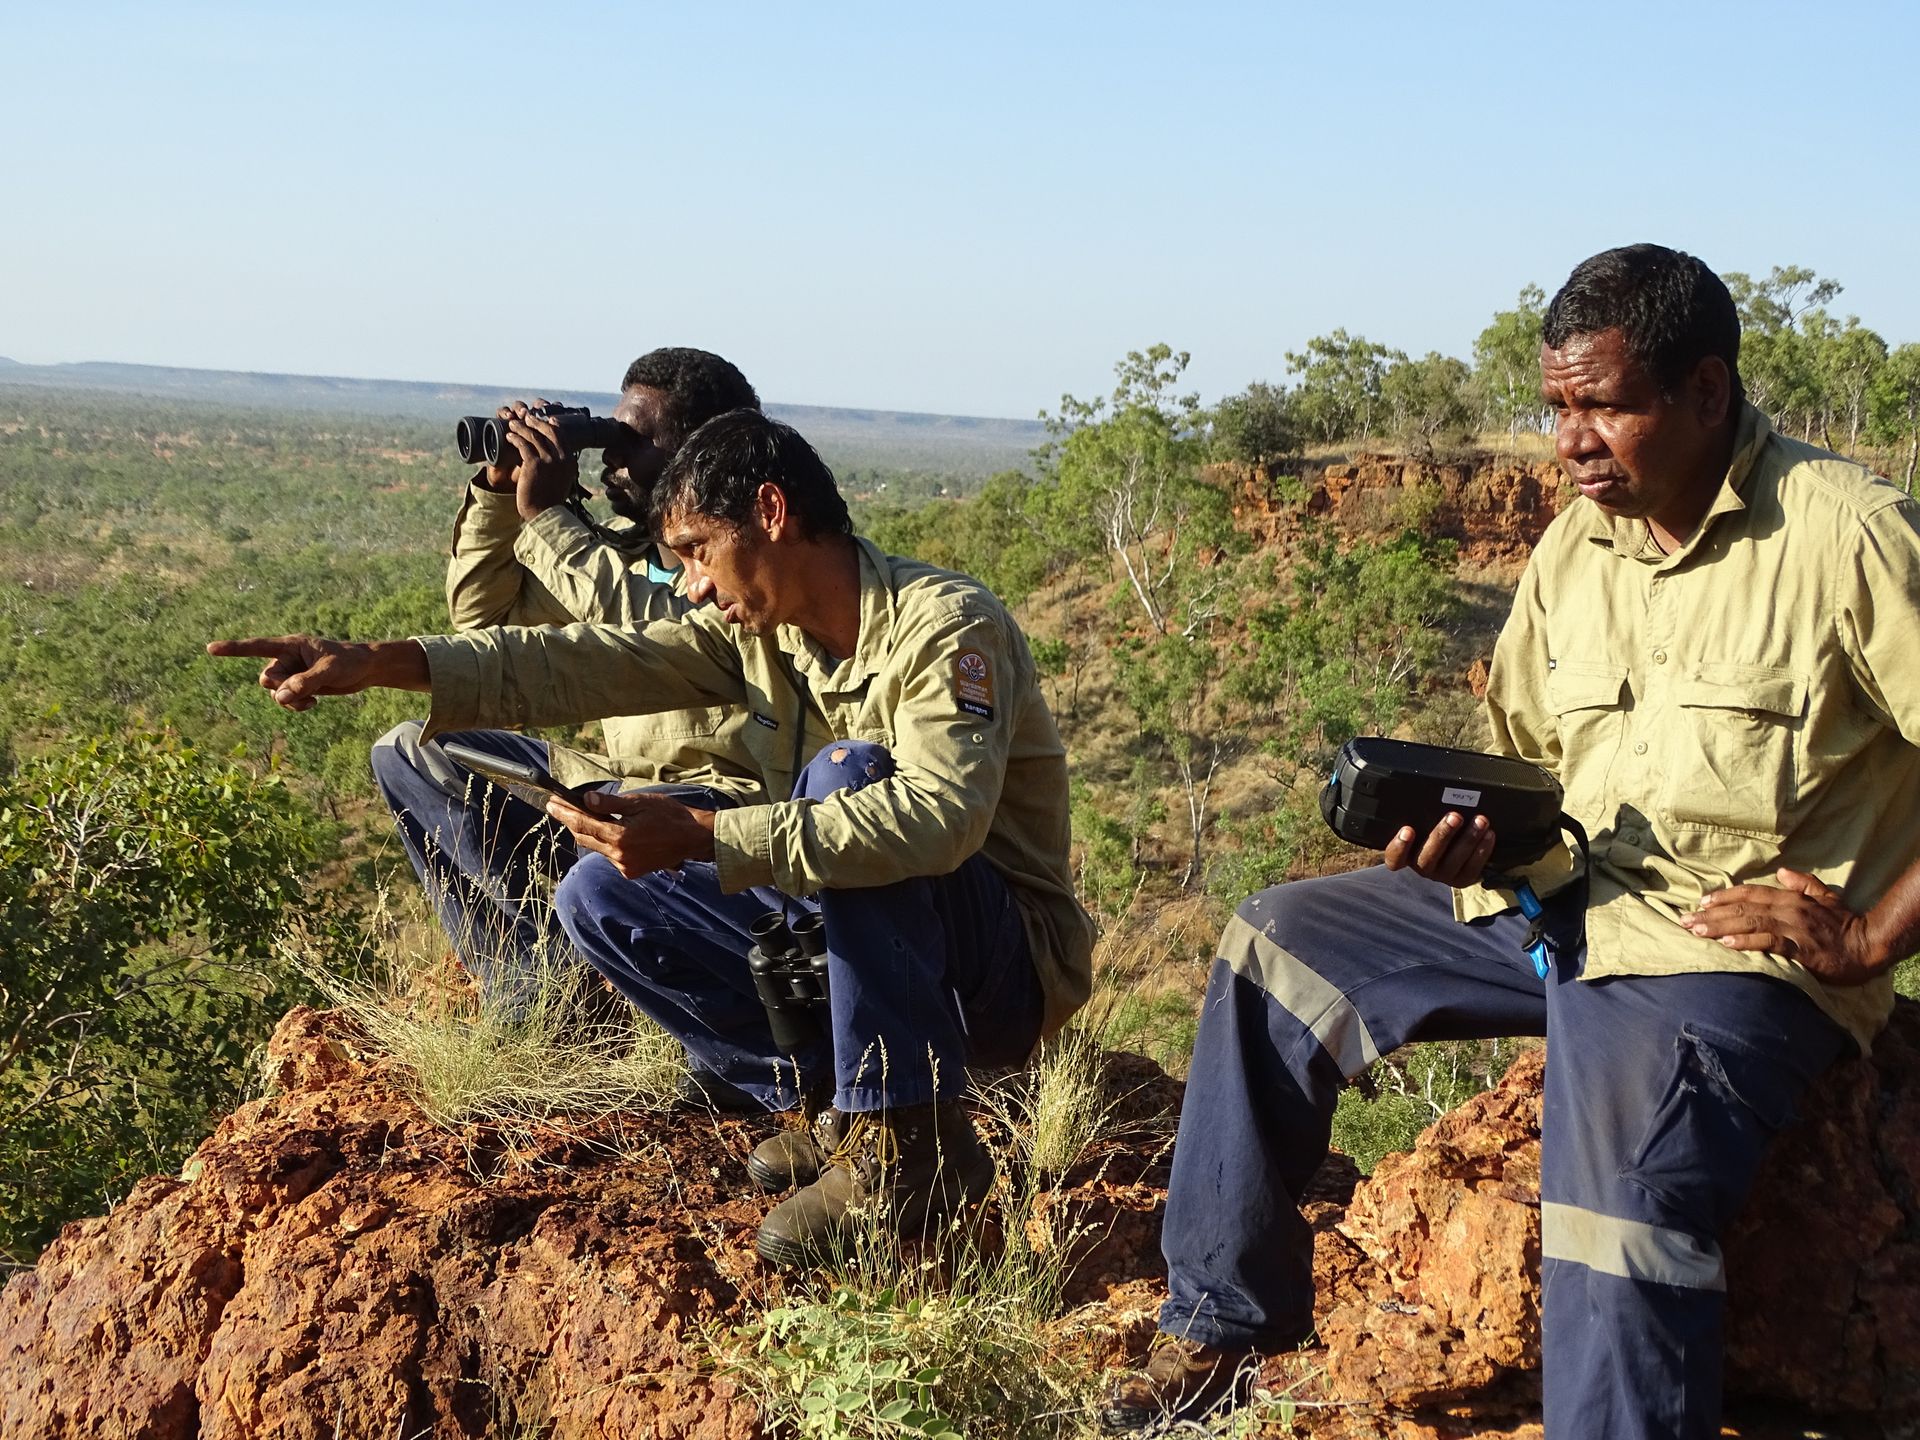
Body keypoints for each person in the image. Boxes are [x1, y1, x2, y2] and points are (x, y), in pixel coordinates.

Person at [1106, 244, 1920, 1438]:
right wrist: (1470, 845)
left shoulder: (1845, 533)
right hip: (1555, 902)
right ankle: (1224, 1330)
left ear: (1706, 391)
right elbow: (1531, 768)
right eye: (1557, 408)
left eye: (1604, 405)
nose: (1571, 440)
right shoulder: (1575, 547)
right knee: (1275, 946)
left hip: (1717, 948)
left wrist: (1867, 937)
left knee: (1615, 1183)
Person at [210, 409, 1095, 1267]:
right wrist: (376, 663)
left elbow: (937, 820)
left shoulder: (944, 623)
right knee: (599, 894)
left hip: (1006, 969)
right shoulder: (760, 634)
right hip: (884, 938)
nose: (696, 585)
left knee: (847, 776)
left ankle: (911, 1148)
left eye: (697, 552)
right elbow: (582, 661)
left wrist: (709, 834)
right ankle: (834, 1107)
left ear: (772, 515)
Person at [370, 349, 768, 1036]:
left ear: (703, 451)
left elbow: (654, 629)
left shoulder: (748, 557)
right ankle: (543, 992)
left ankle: (599, 983)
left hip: (712, 809)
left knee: (630, 826)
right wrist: (498, 493)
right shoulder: (618, 550)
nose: (612, 460)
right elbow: (483, 619)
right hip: (614, 789)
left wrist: (550, 517)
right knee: (412, 751)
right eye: (607, 435)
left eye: (634, 441)